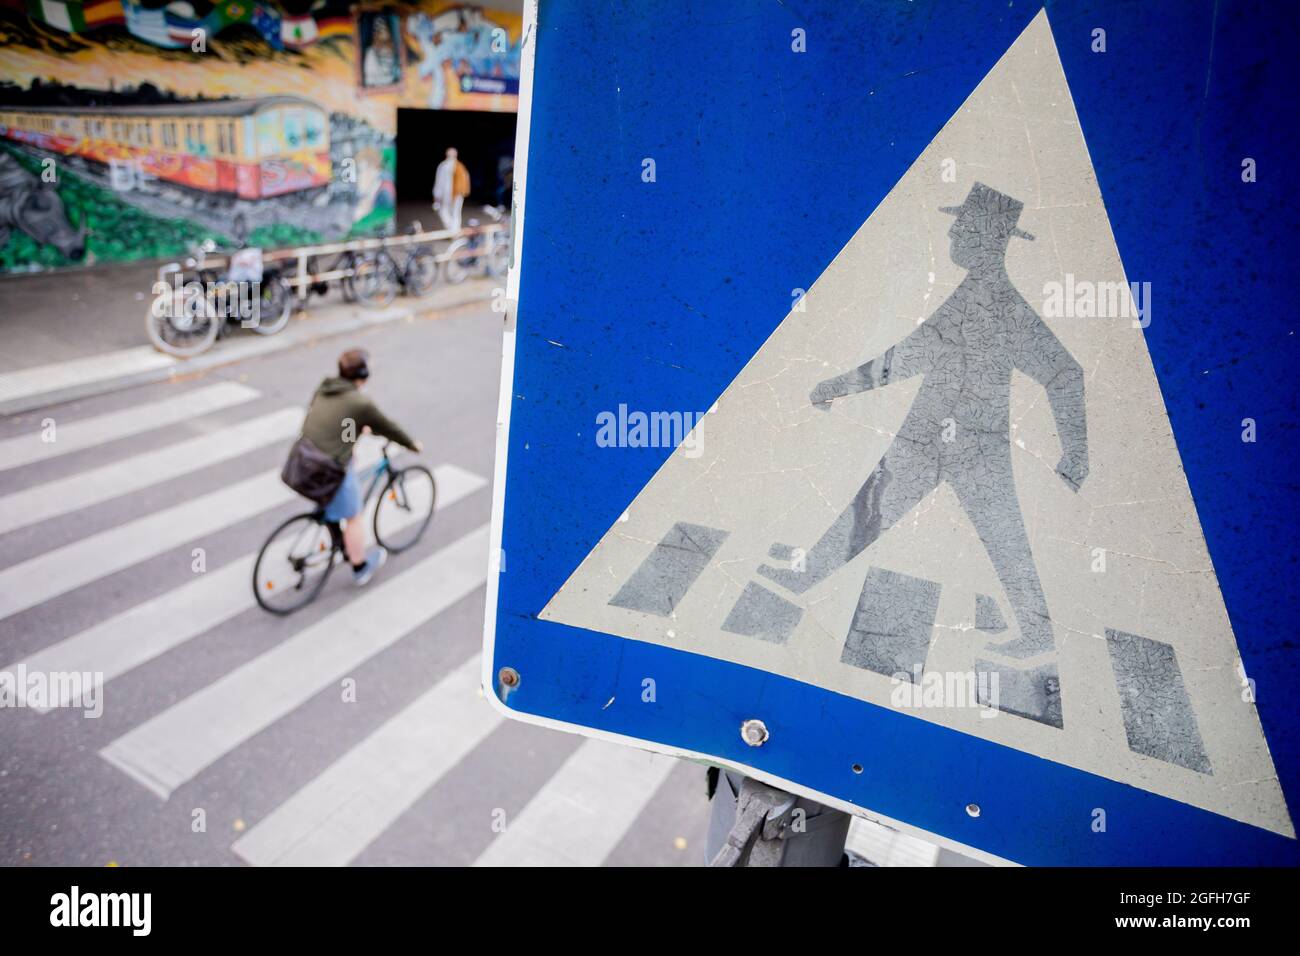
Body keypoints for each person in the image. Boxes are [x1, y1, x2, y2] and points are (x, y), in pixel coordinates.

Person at [757, 182, 1088, 663]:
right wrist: (838, 386)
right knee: (871, 508)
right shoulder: (973, 297)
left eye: (963, 227)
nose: (952, 233)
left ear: (984, 238)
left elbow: (1063, 372)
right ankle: (806, 577)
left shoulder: (1000, 306)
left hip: (972, 446)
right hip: (932, 436)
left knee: (1001, 537)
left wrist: (1076, 450)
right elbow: (909, 355)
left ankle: (1038, 633)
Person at [300, 348, 422, 585]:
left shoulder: (325, 387)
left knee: (337, 495)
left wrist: (355, 429)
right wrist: (412, 444)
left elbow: (335, 418)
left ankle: (333, 528)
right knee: (354, 516)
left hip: (304, 459)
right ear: (363, 374)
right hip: (329, 469)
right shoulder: (360, 402)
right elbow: (388, 427)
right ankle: (360, 566)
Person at [433, 147, 471, 232]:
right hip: (450, 194)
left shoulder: (457, 166)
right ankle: (454, 230)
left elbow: (438, 182)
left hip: (456, 194)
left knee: (451, 212)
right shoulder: (445, 166)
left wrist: (436, 195)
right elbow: (439, 182)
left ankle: (453, 231)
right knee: (451, 212)